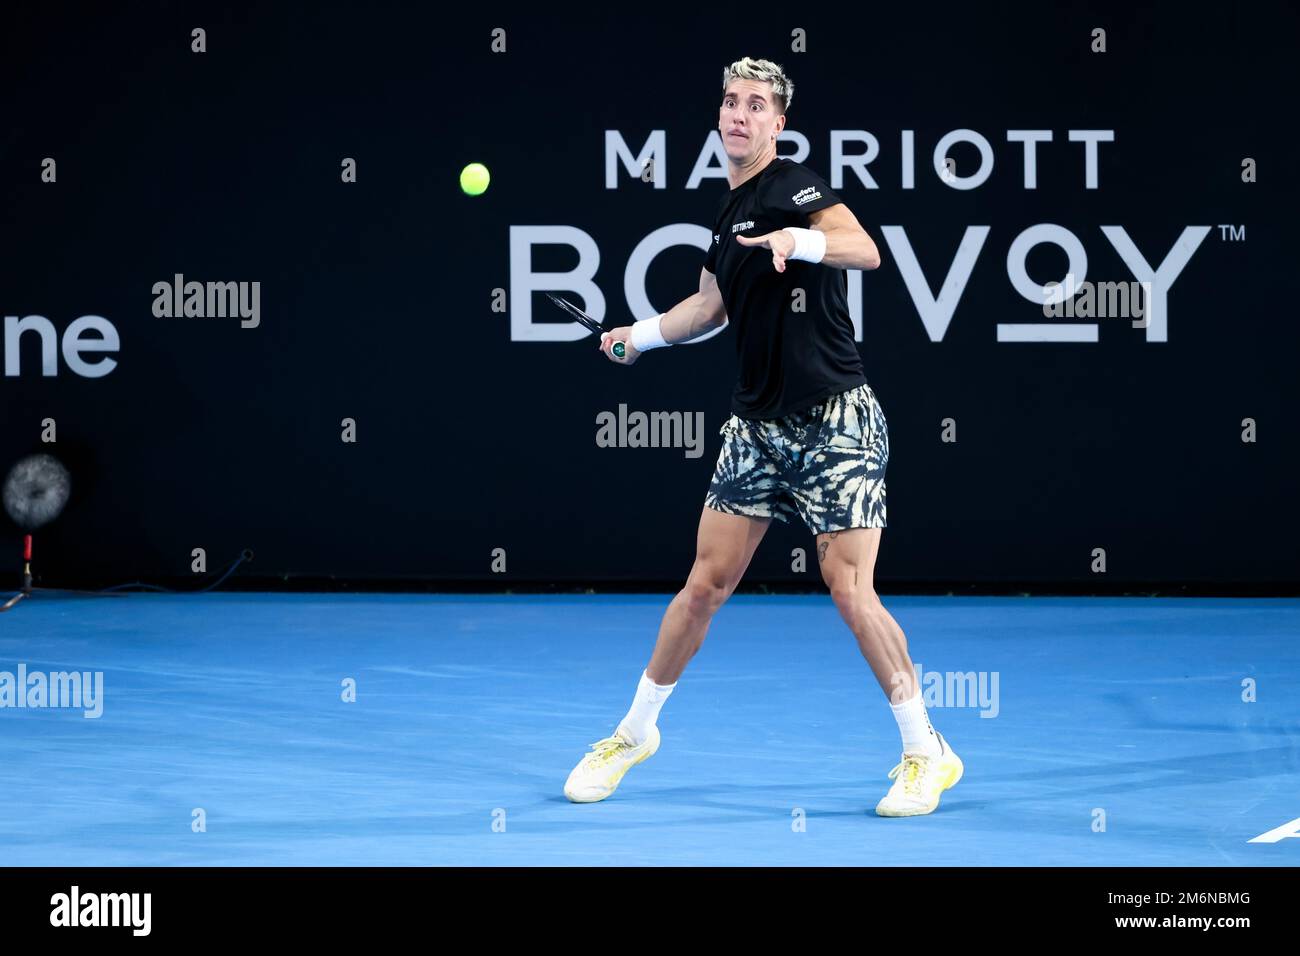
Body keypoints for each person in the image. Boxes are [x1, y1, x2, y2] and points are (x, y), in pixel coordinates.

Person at [564, 57, 961, 817]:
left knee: (849, 589)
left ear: (778, 124)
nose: (739, 115)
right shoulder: (729, 210)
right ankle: (633, 734)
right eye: (730, 103)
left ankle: (924, 753)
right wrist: (638, 336)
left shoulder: (792, 186)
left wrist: (801, 242)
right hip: (756, 427)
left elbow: (863, 248)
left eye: (756, 106)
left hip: (837, 417)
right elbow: (710, 306)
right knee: (704, 586)